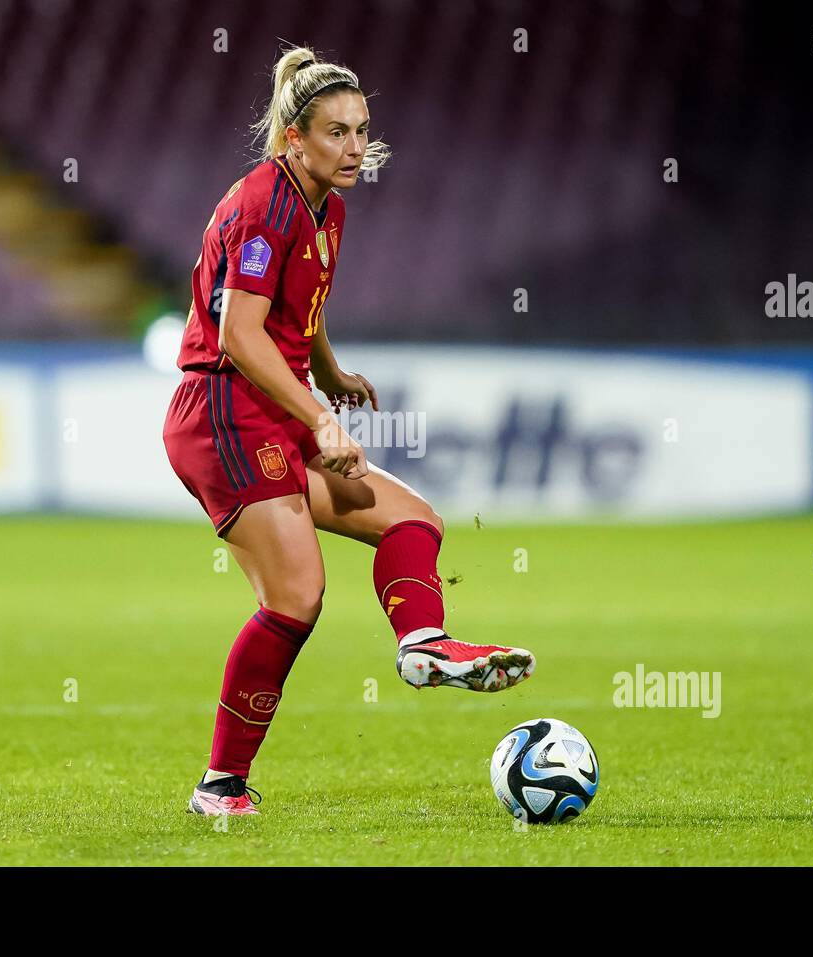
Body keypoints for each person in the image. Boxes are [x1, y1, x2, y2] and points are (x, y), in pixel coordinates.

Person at [163, 46, 535, 816]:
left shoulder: (326, 205)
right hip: (226, 410)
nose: (356, 148)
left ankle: (424, 643)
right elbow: (238, 333)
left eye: (363, 131)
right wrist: (321, 417)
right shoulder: (263, 202)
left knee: (415, 521)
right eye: (336, 133)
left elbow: (301, 307)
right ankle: (220, 786)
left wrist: (326, 367)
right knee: (297, 595)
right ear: (292, 138)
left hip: (272, 403)